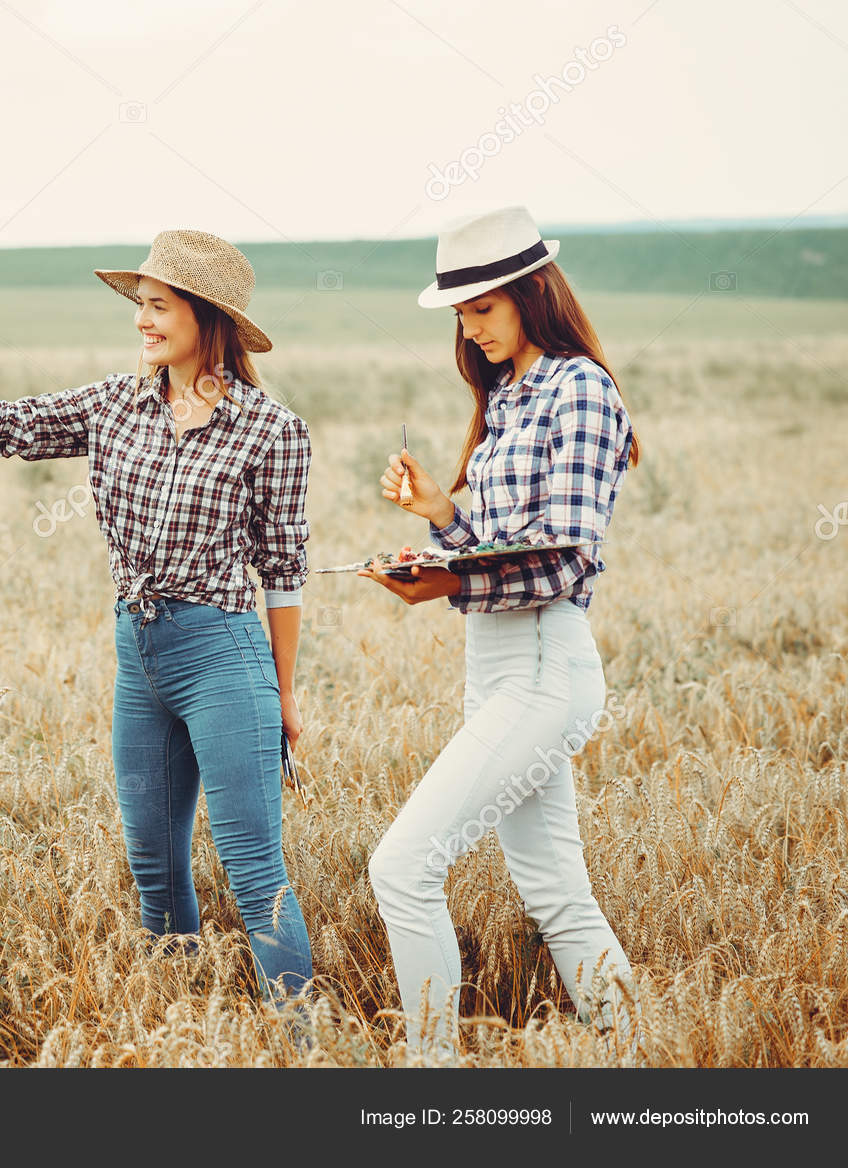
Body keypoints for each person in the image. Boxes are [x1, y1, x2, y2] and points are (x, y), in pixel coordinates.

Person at [0, 229, 315, 1002]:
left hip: (225, 655)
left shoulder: (271, 430)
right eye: (139, 307)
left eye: (158, 307)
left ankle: (304, 1040)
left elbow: (283, 572)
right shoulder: (116, 402)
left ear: (204, 315)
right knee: (153, 861)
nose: (142, 322)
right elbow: (5, 426)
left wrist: (285, 694)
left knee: (253, 871)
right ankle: (181, 1028)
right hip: (139, 655)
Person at [358, 205, 641, 1059]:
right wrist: (441, 519)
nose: (470, 328)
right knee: (557, 891)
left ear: (532, 292)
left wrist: (447, 577)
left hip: (545, 665)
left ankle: (432, 1076)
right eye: (459, 314)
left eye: (482, 307)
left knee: (401, 869)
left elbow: (563, 558)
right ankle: (638, 1057)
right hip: (499, 667)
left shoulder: (581, 390)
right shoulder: (509, 396)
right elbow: (497, 543)